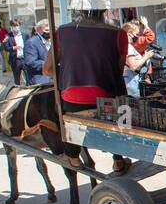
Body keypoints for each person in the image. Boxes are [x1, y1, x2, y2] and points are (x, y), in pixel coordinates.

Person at [55, 9, 129, 170]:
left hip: (72, 97)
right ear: (104, 11)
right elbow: (119, 71)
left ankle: (73, 157)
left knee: (58, 111)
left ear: (79, 10)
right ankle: (118, 159)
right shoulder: (119, 33)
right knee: (120, 96)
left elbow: (47, 69)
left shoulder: (62, 31)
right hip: (107, 95)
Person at [121, 21, 155, 97]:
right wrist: (146, 56)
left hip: (129, 79)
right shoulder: (127, 46)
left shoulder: (123, 45)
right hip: (131, 80)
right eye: (136, 34)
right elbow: (133, 66)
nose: (137, 37)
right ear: (129, 33)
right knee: (135, 104)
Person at [22, 20, 52, 85]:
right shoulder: (31, 43)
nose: (49, 32)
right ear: (38, 30)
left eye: (50, 30)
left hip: (53, 77)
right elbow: (31, 62)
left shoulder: (51, 41)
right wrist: (50, 64)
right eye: (46, 30)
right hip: (40, 79)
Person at [2, 19, 26, 84]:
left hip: (24, 59)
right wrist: (14, 48)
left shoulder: (24, 35)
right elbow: (6, 48)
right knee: (17, 78)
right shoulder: (8, 36)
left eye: (17, 25)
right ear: (11, 27)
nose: (16, 27)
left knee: (28, 76)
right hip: (15, 59)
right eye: (14, 26)